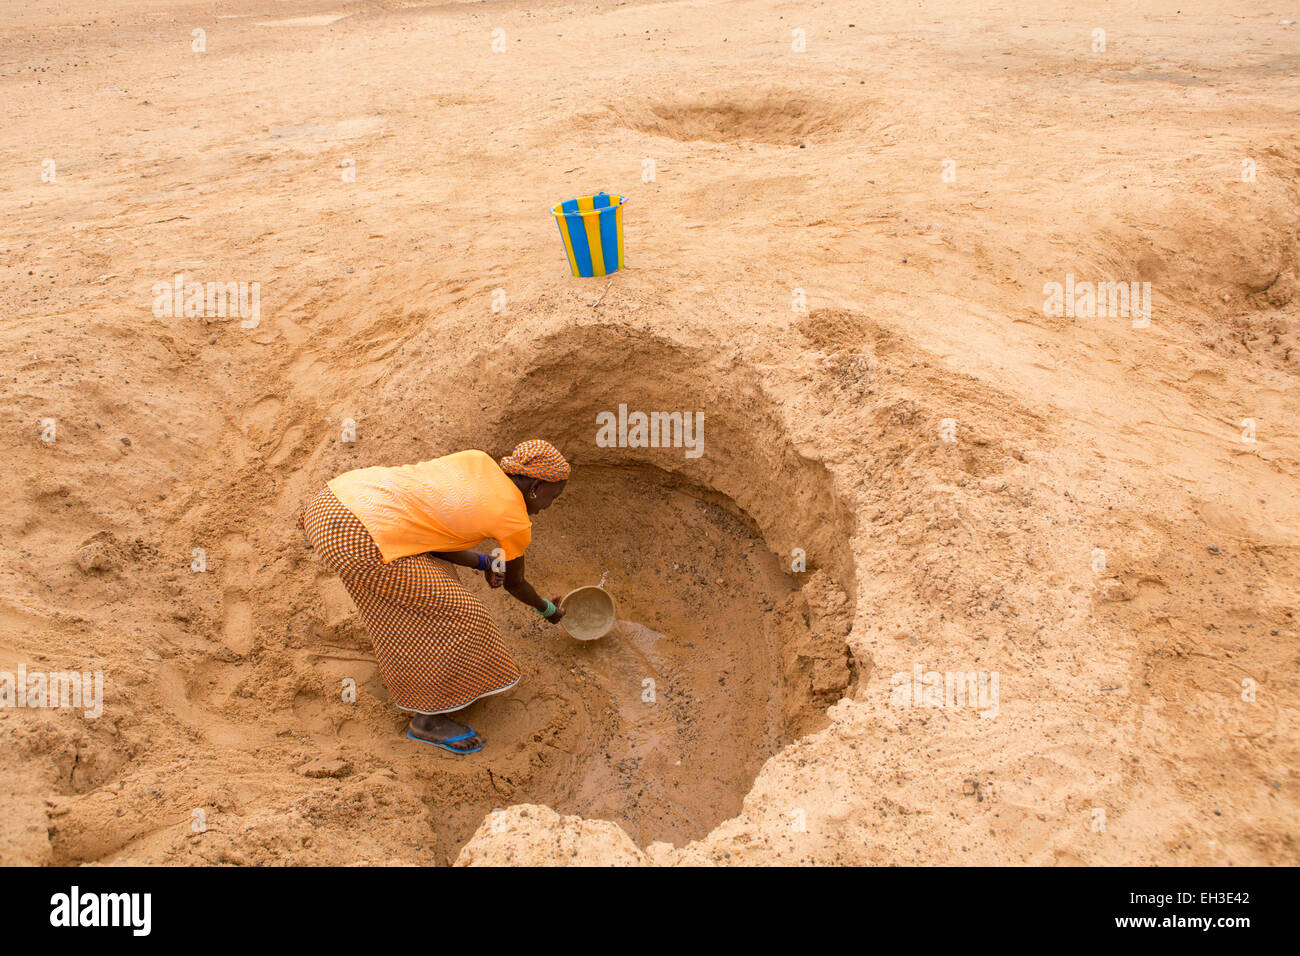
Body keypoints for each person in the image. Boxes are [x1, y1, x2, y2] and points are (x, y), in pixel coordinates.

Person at [298, 440, 569, 753]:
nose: (551, 504)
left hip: (334, 503)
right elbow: (514, 583)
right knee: (465, 616)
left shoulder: (476, 459)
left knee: (433, 585)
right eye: (554, 495)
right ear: (535, 487)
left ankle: (413, 664)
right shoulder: (515, 519)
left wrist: (483, 562)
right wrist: (547, 609)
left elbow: (428, 532)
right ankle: (428, 722)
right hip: (362, 537)